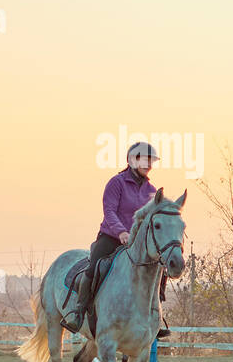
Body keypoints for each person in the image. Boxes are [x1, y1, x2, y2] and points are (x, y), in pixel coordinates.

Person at [67, 142, 170, 338]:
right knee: (95, 266)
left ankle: (155, 317)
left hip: (138, 244)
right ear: (132, 160)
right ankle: (79, 312)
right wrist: (122, 232)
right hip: (112, 237)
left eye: (151, 161)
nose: (149, 164)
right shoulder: (116, 183)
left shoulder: (152, 190)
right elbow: (109, 211)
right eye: (145, 160)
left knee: (160, 266)